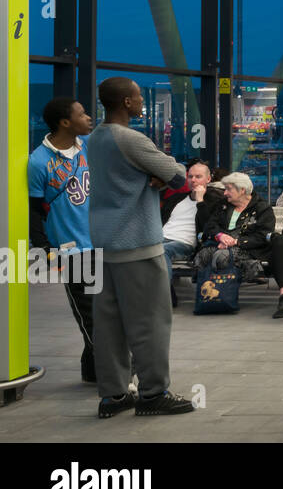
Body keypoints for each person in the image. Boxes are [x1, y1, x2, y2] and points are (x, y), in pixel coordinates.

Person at [84, 77, 193, 418]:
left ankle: (113, 396)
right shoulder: (131, 138)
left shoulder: (95, 139)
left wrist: (156, 174)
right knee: (150, 322)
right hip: (138, 245)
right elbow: (180, 177)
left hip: (104, 243)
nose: (141, 101)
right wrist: (164, 173)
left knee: (109, 325)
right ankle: (152, 394)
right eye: (136, 96)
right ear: (127, 103)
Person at [27, 97, 96, 383]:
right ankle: (113, 375)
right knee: (91, 316)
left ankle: (93, 371)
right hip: (72, 252)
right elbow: (34, 209)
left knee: (106, 312)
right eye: (81, 113)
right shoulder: (38, 161)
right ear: (65, 122)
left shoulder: (89, 147)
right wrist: (46, 250)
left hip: (103, 243)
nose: (89, 117)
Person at [195, 171, 283, 318]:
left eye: (229, 189)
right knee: (210, 254)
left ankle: (220, 297)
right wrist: (220, 236)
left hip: (248, 249)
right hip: (219, 244)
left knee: (222, 255)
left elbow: (263, 235)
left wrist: (236, 242)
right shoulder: (223, 205)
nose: (225, 193)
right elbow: (210, 225)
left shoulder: (262, 208)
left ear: (242, 190)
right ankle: (217, 297)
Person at [160, 159, 214, 305]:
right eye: (190, 177)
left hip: (184, 244)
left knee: (161, 251)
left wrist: (200, 201)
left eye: (198, 177)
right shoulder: (176, 199)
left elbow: (209, 227)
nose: (193, 180)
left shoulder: (214, 200)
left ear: (208, 179)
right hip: (160, 238)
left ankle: (166, 297)